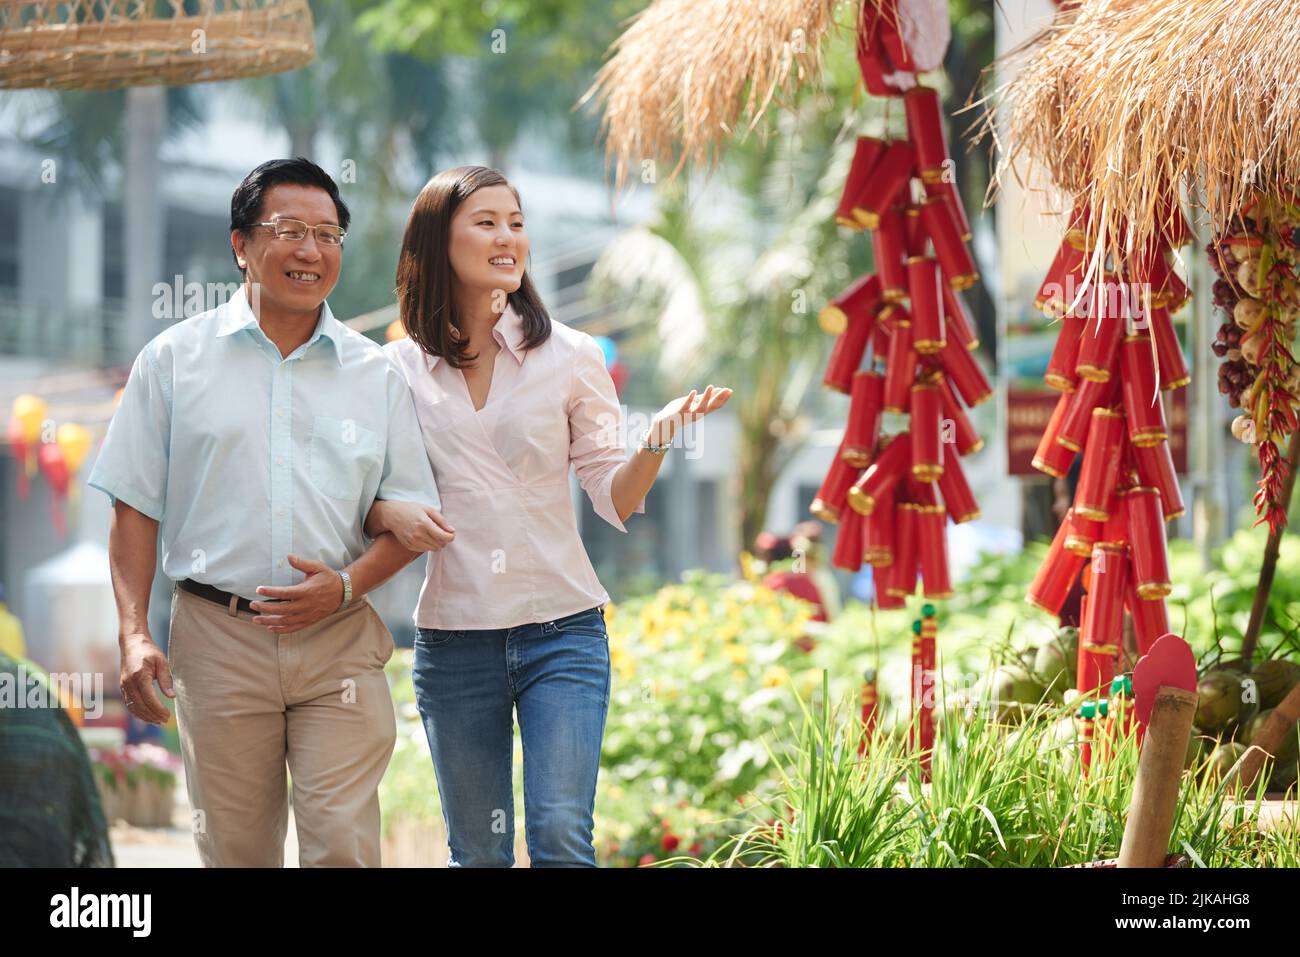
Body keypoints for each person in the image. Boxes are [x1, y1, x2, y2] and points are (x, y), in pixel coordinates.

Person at [88, 157, 448, 867]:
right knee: (237, 849)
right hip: (218, 640)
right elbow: (134, 504)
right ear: (241, 246)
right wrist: (133, 633)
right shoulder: (172, 361)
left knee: (341, 843)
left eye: (327, 233)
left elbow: (415, 522)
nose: (310, 250)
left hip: (339, 639)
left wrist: (344, 586)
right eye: (288, 230)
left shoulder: (376, 374)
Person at [367, 165, 732, 866]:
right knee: (479, 851)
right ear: (438, 240)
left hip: (561, 633)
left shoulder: (571, 354)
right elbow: (369, 495)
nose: (508, 236)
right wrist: (390, 510)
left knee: (561, 834)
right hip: (455, 638)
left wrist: (654, 438)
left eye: (516, 221)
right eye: (487, 222)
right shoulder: (396, 370)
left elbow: (613, 494)